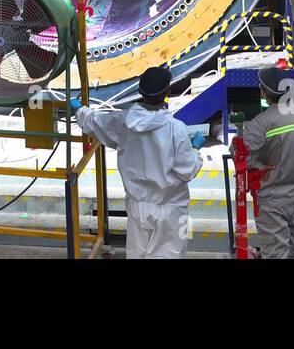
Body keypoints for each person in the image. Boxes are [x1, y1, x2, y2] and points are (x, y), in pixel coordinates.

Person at [74, 66, 204, 259]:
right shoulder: (177, 129)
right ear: (167, 93)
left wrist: (78, 109)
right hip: (171, 208)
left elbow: (96, 122)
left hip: (138, 207)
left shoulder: (124, 122)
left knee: (137, 255)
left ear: (141, 93)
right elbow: (187, 170)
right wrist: (195, 150)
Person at [238, 66, 294, 259]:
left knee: (276, 253)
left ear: (264, 92)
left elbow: (241, 155)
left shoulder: (261, 122)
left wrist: (258, 166)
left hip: (272, 199)